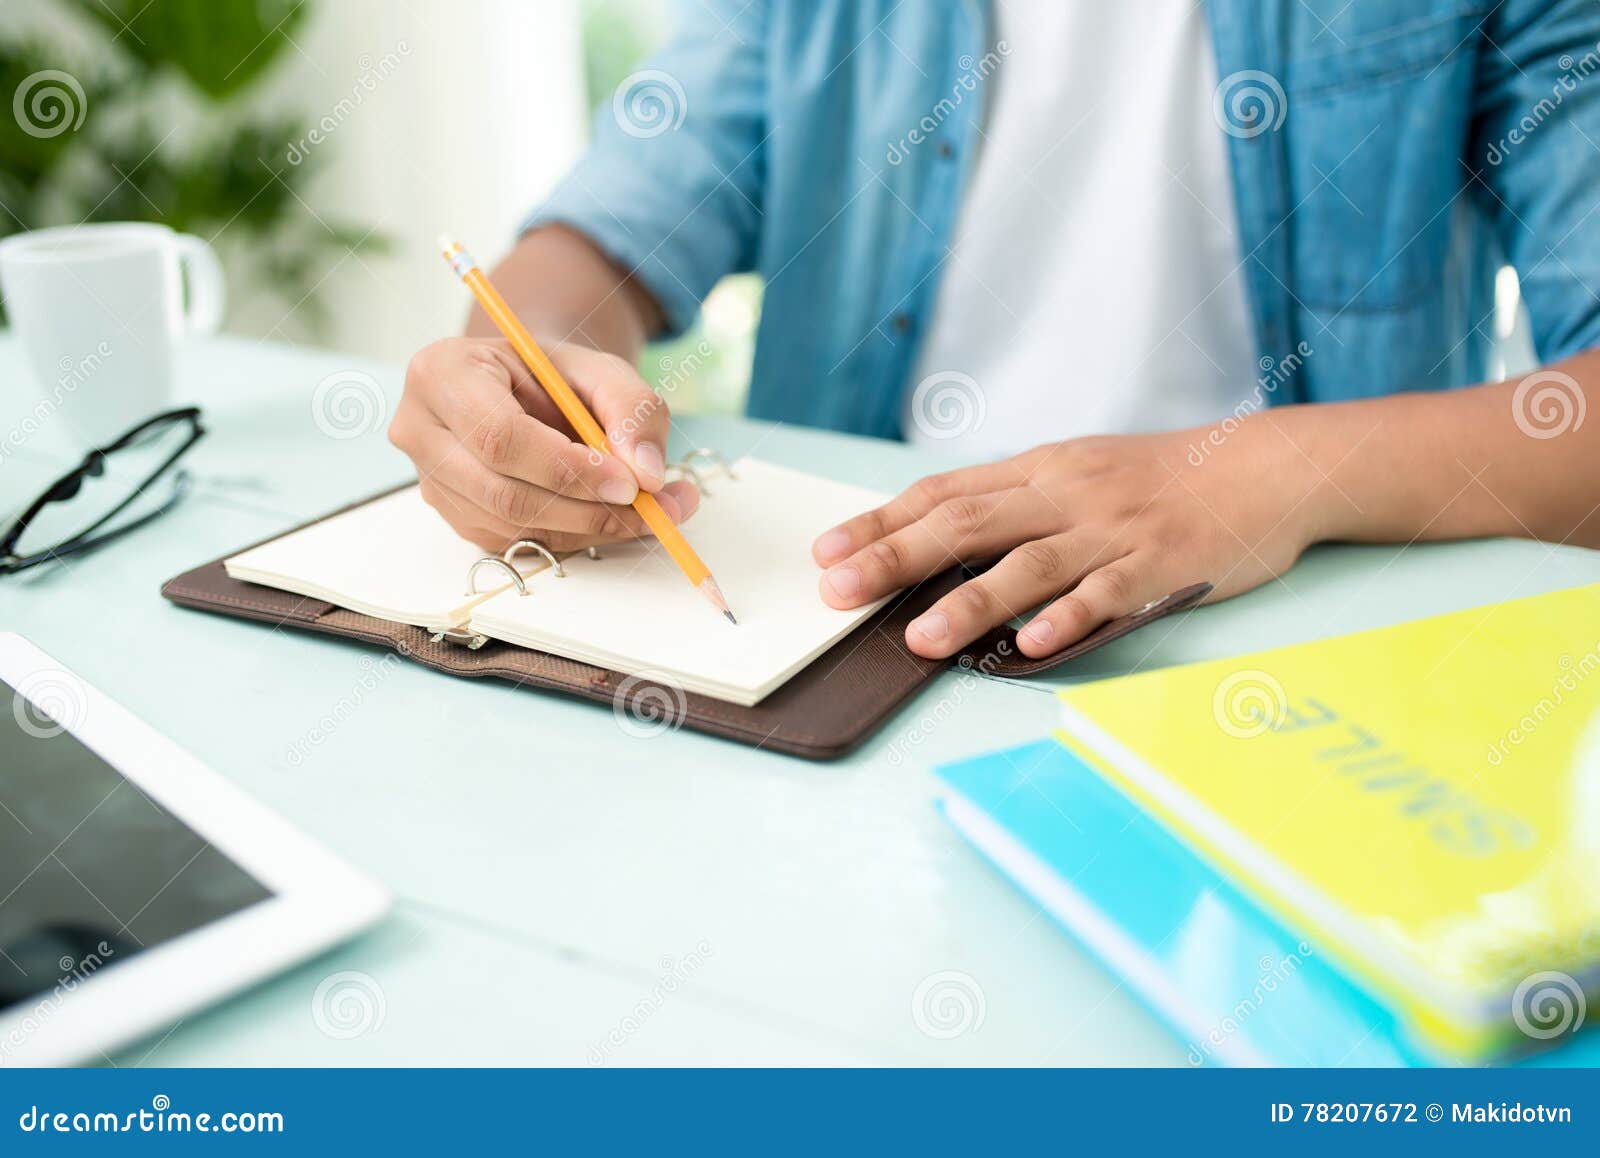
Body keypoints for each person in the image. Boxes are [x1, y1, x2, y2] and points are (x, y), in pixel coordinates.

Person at [389, 0, 1600, 663]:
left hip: (1293, 627)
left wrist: (1268, 470)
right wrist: (528, 367)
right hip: (850, 617)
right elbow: (596, 242)